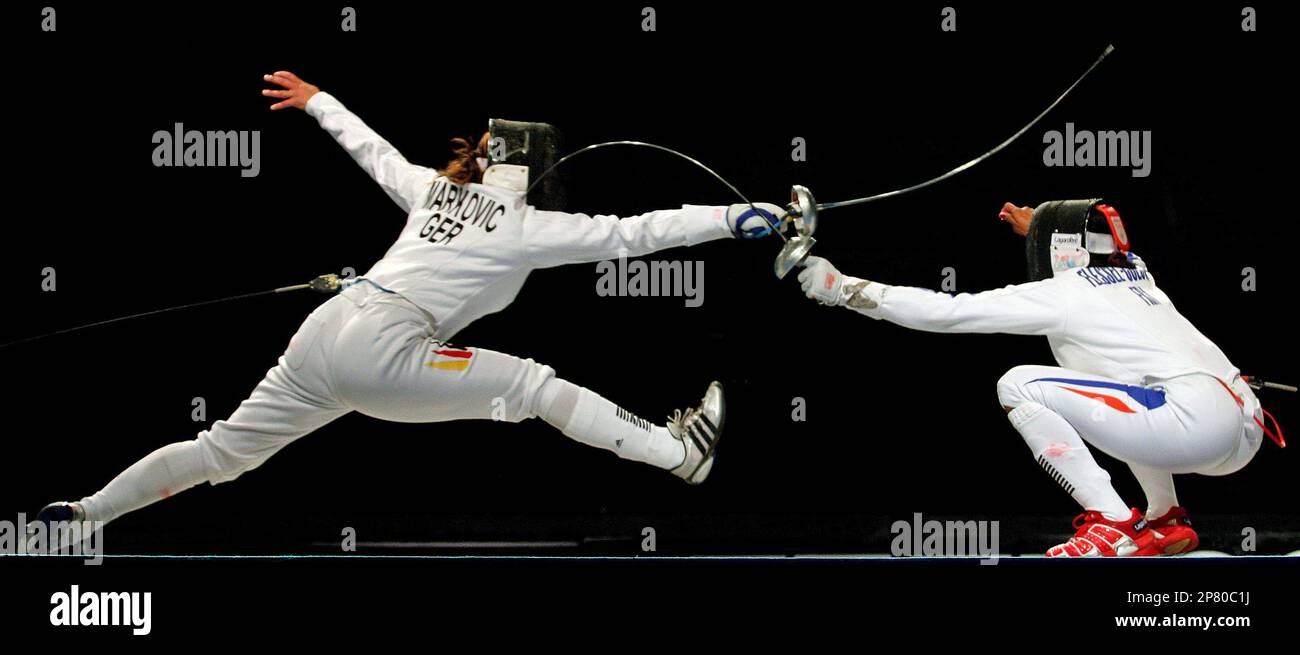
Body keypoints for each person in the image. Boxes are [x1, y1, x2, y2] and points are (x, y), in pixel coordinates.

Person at [30, 71, 784, 536]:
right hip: (386, 349)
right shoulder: (528, 225)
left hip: (321, 337)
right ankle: (678, 454)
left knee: (219, 451)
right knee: (530, 388)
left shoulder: (435, 189)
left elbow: (374, 151)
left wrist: (319, 98)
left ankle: (85, 516)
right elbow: (639, 232)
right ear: (538, 168)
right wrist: (740, 216)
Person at [796, 200, 1281, 557]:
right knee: (1108, 382)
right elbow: (1100, 242)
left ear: (1062, 253)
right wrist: (1041, 229)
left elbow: (945, 312)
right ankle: (1165, 517)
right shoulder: (1139, 274)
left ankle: (1113, 523)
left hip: (1190, 427)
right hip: (1242, 427)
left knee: (1019, 384)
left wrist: (840, 289)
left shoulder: (1063, 293)